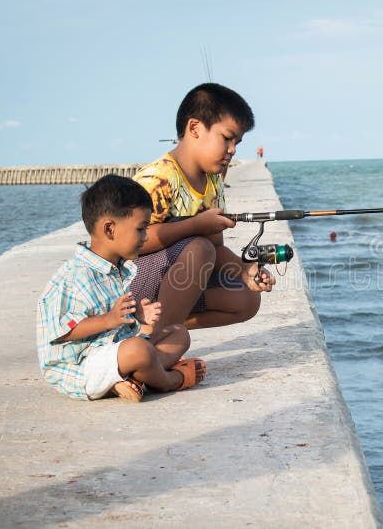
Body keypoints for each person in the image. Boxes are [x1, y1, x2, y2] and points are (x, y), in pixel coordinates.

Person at [36, 174, 206, 402]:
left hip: (114, 351)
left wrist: (136, 316)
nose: (146, 237)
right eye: (141, 229)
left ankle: (131, 380)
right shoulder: (73, 277)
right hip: (80, 366)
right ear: (109, 229)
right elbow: (63, 330)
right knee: (139, 350)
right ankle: (170, 380)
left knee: (178, 334)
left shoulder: (117, 270)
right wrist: (111, 319)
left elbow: (119, 327)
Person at [130, 83, 275, 336]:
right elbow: (132, 243)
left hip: (174, 282)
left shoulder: (212, 184)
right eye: (227, 138)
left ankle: (153, 328)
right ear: (195, 128)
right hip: (129, 285)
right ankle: (162, 343)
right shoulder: (159, 178)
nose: (232, 150)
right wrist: (194, 226)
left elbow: (216, 248)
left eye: (237, 142)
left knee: (246, 299)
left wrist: (243, 270)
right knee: (199, 247)